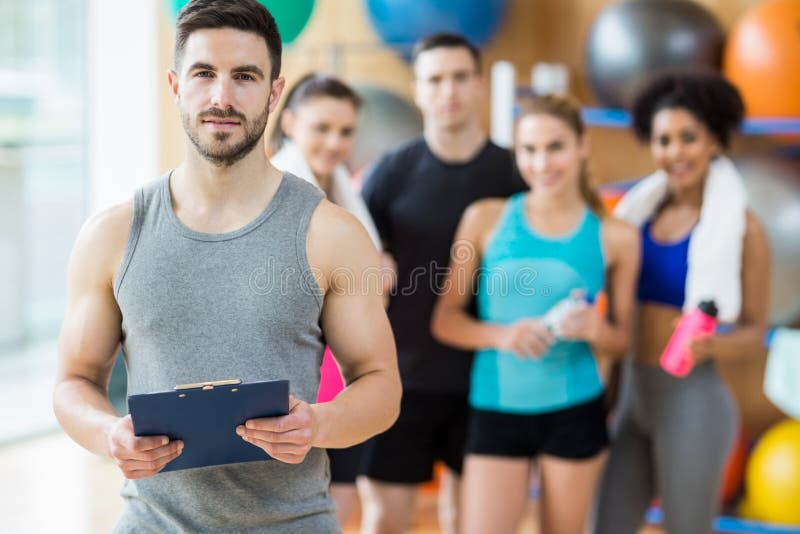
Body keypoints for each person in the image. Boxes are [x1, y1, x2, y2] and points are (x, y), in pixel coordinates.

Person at [52, 1, 401, 532]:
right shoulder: (112, 234)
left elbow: (381, 387)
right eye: (204, 74)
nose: (222, 97)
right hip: (151, 521)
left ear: (274, 93)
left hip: (295, 521)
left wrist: (319, 423)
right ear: (175, 85)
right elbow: (73, 382)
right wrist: (108, 434)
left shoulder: (332, 234)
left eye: (244, 76)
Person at [431, 93, 640, 534]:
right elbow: (446, 319)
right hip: (495, 408)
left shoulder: (616, 236)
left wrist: (597, 329)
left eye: (555, 147)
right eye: (529, 150)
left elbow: (623, 341)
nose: (542, 163)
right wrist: (502, 336)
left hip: (575, 412)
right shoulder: (485, 219)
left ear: (583, 145)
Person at [358, 33, 526, 534]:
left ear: (478, 85)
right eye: (435, 79)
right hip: (399, 378)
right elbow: (360, 273)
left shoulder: (514, 173)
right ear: (418, 90)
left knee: (469, 522)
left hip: (487, 381)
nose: (448, 90)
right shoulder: (391, 173)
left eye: (459, 77)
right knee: (386, 520)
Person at [593, 71, 771, 534]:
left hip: (694, 402)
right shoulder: (633, 217)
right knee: (605, 525)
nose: (674, 153)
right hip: (632, 396)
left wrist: (712, 347)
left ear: (714, 139)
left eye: (687, 138)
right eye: (663, 140)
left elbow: (755, 333)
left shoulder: (742, 230)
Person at [269, 72, 382, 526]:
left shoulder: (341, 184)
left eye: (346, 131)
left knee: (343, 501)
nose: (335, 142)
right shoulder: (273, 190)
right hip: (300, 372)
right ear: (291, 122)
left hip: (344, 371)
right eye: (322, 128)